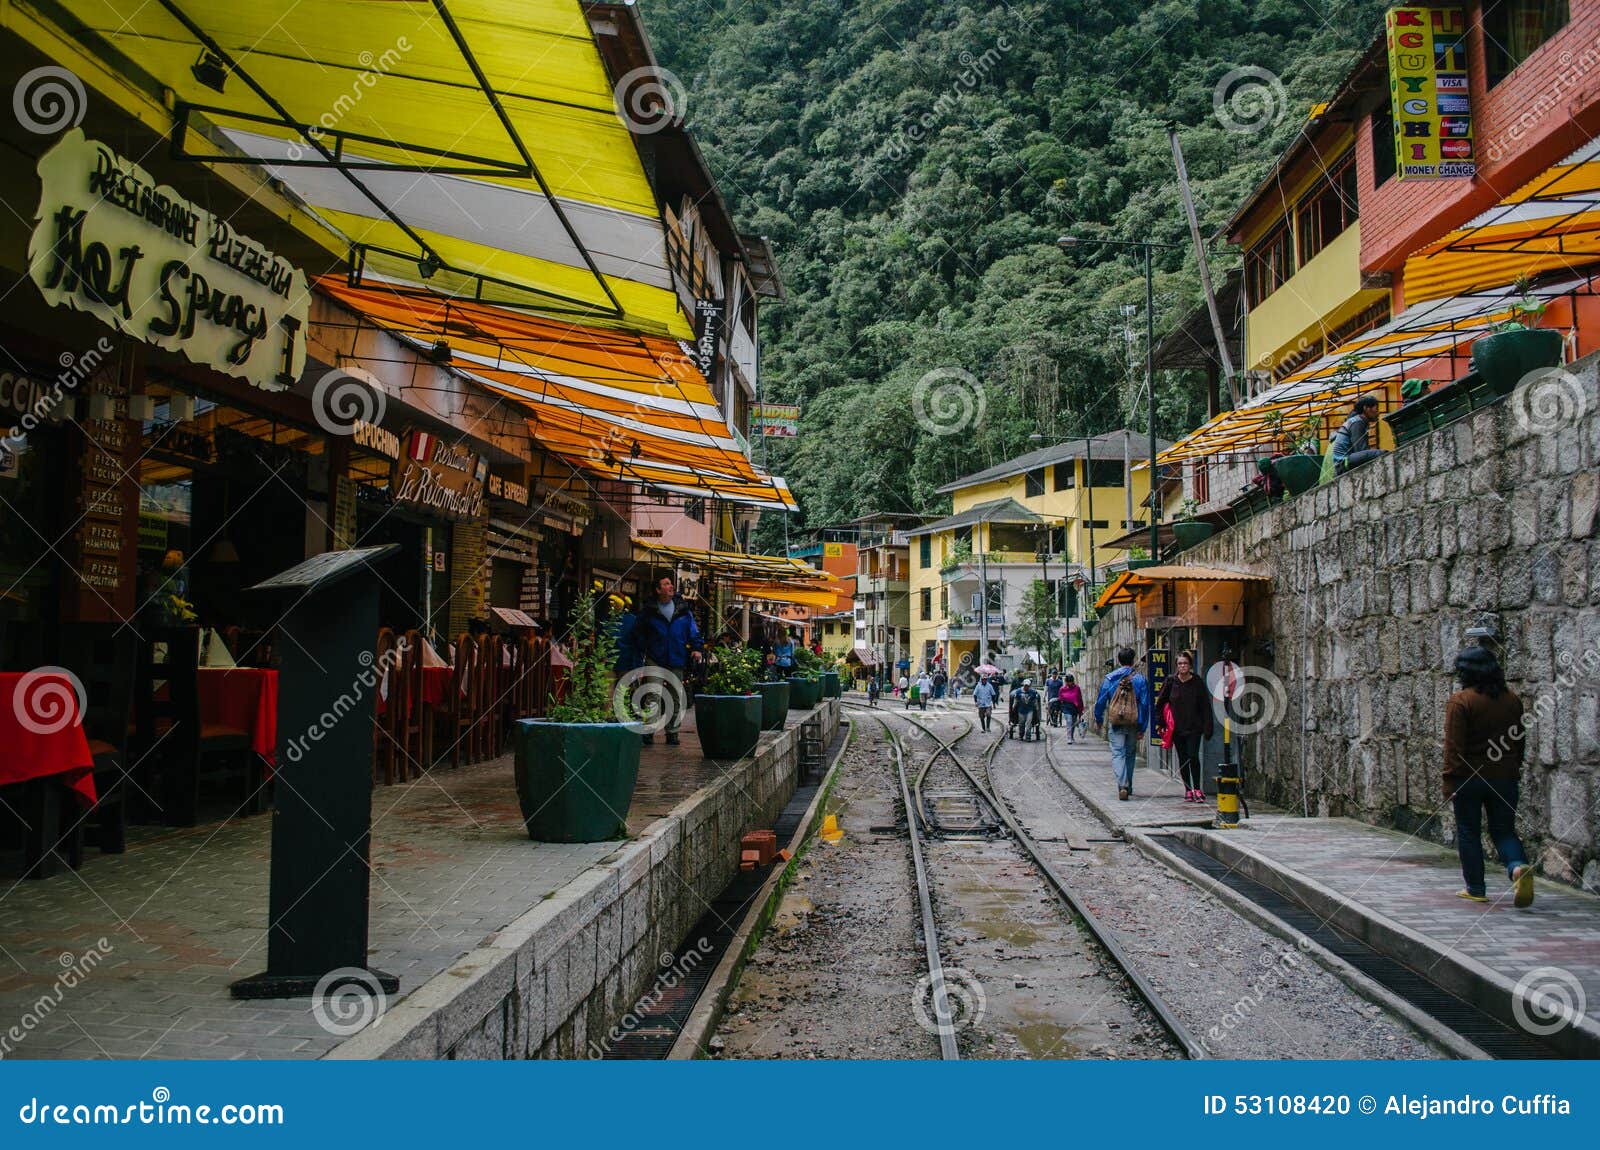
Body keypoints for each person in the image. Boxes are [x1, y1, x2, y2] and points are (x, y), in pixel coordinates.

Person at [1444, 647, 1534, 907]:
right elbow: (1519, 741)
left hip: (1469, 778)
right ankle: (1517, 867)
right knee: (1504, 830)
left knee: (1468, 831)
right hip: (1504, 777)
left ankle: (1476, 888)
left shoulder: (1461, 701)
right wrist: (1513, 769)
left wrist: (1449, 783)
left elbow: (1454, 749)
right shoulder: (1512, 700)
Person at [631, 574, 704, 746]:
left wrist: (696, 648)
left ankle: (672, 732)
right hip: (655, 658)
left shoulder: (683, 610)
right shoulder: (649, 611)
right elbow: (638, 633)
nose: (671, 586)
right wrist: (643, 649)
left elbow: (693, 631)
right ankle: (649, 731)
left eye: (671, 583)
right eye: (666, 584)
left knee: (675, 696)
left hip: (676, 657)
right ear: (658, 590)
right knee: (653, 693)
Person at [1154, 650, 1215, 803]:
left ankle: (1197, 789)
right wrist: (1161, 722)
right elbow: (1160, 703)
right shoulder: (1171, 682)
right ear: (1177, 665)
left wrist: (1208, 726)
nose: (1182, 666)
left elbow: (1205, 705)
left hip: (1194, 727)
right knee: (1183, 758)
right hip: (1177, 728)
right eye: (1180, 663)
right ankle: (1188, 789)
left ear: (1190, 665)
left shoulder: (1197, 682)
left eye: (1185, 663)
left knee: (1193, 756)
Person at [1094, 646, 1151, 801]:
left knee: (1118, 753)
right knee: (1130, 754)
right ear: (1133, 660)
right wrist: (1142, 727)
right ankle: (1129, 785)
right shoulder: (1140, 679)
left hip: (1116, 722)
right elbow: (1145, 704)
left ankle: (1122, 785)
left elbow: (1100, 701)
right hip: (1133, 722)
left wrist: (1098, 718)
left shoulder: (1109, 679)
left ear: (1119, 661)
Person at [1329, 393, 1385, 473]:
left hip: (1345, 462)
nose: (1377, 412)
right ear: (1366, 408)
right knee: (1380, 453)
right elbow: (1360, 449)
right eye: (1376, 409)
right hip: (1344, 463)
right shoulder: (1357, 422)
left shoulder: (1357, 421)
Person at [1058, 674, 1084, 744]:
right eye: (1067, 682)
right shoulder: (1062, 689)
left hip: (1074, 708)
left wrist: (1081, 709)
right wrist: (1060, 708)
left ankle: (1072, 736)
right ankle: (1069, 738)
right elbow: (1060, 699)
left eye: (1070, 681)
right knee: (1069, 721)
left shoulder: (1077, 688)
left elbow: (1080, 699)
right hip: (1066, 707)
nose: (1069, 683)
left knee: (1073, 723)